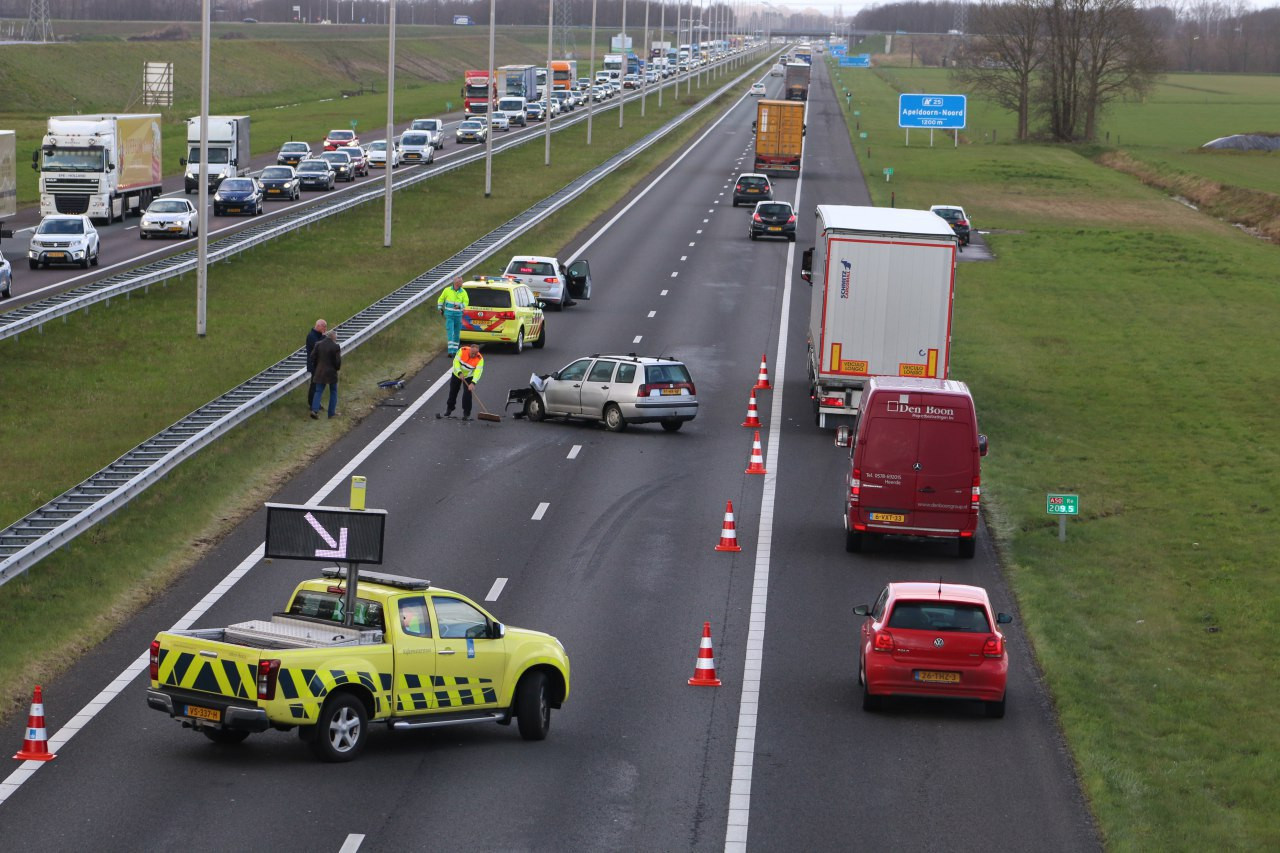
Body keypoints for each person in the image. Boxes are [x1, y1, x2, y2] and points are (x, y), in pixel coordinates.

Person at [443, 343, 484, 420]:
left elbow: (478, 372)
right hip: (457, 374)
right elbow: (455, 362)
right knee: (453, 391)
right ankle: (450, 408)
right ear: (469, 350)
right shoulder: (462, 350)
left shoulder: (480, 359)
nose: (473, 355)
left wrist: (473, 383)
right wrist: (459, 372)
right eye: (472, 353)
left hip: (469, 376)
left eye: (476, 354)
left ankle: (466, 413)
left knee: (467, 394)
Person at [310, 328, 342, 419]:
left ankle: (314, 410)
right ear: (333, 337)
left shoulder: (318, 344)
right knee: (333, 391)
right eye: (336, 337)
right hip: (331, 373)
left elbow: (312, 357)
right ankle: (331, 413)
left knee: (318, 391)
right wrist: (336, 368)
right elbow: (338, 362)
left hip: (320, 372)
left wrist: (317, 366)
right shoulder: (335, 347)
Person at [437, 276, 470, 357]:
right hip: (449, 315)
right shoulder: (447, 290)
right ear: (456, 282)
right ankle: (450, 351)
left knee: (456, 333)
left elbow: (466, 302)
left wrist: (460, 306)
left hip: (458, 315)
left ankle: (455, 351)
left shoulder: (463, 292)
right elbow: (441, 299)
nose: (462, 283)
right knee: (450, 332)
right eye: (461, 281)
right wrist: (440, 308)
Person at [305, 318, 327, 411]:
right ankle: (312, 404)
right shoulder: (311, 336)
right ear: (318, 326)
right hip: (314, 364)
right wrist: (323, 336)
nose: (325, 329)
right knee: (314, 385)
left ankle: (316, 403)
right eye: (324, 327)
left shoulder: (318, 335)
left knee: (319, 385)